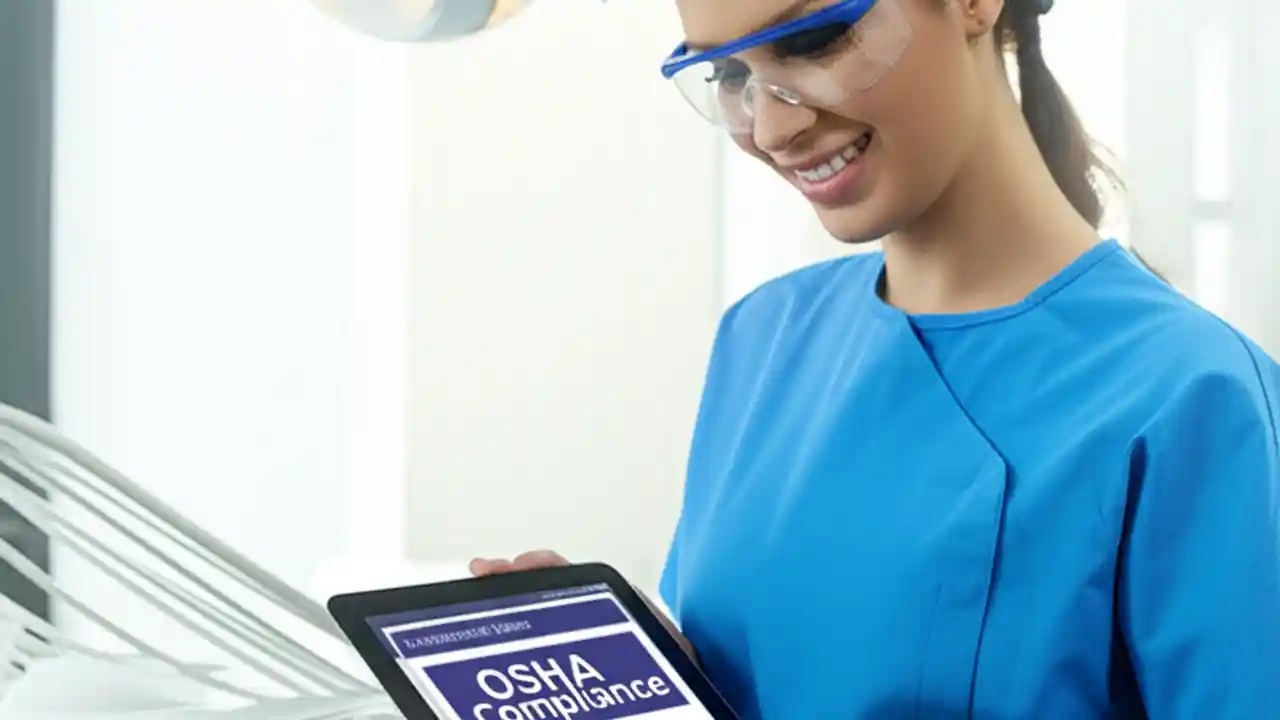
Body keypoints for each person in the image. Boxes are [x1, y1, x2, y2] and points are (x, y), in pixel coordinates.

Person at [472, 0, 1280, 716]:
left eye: (816, 40)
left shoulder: (1192, 392)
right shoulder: (766, 338)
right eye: (725, 73)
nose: (771, 126)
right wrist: (647, 683)